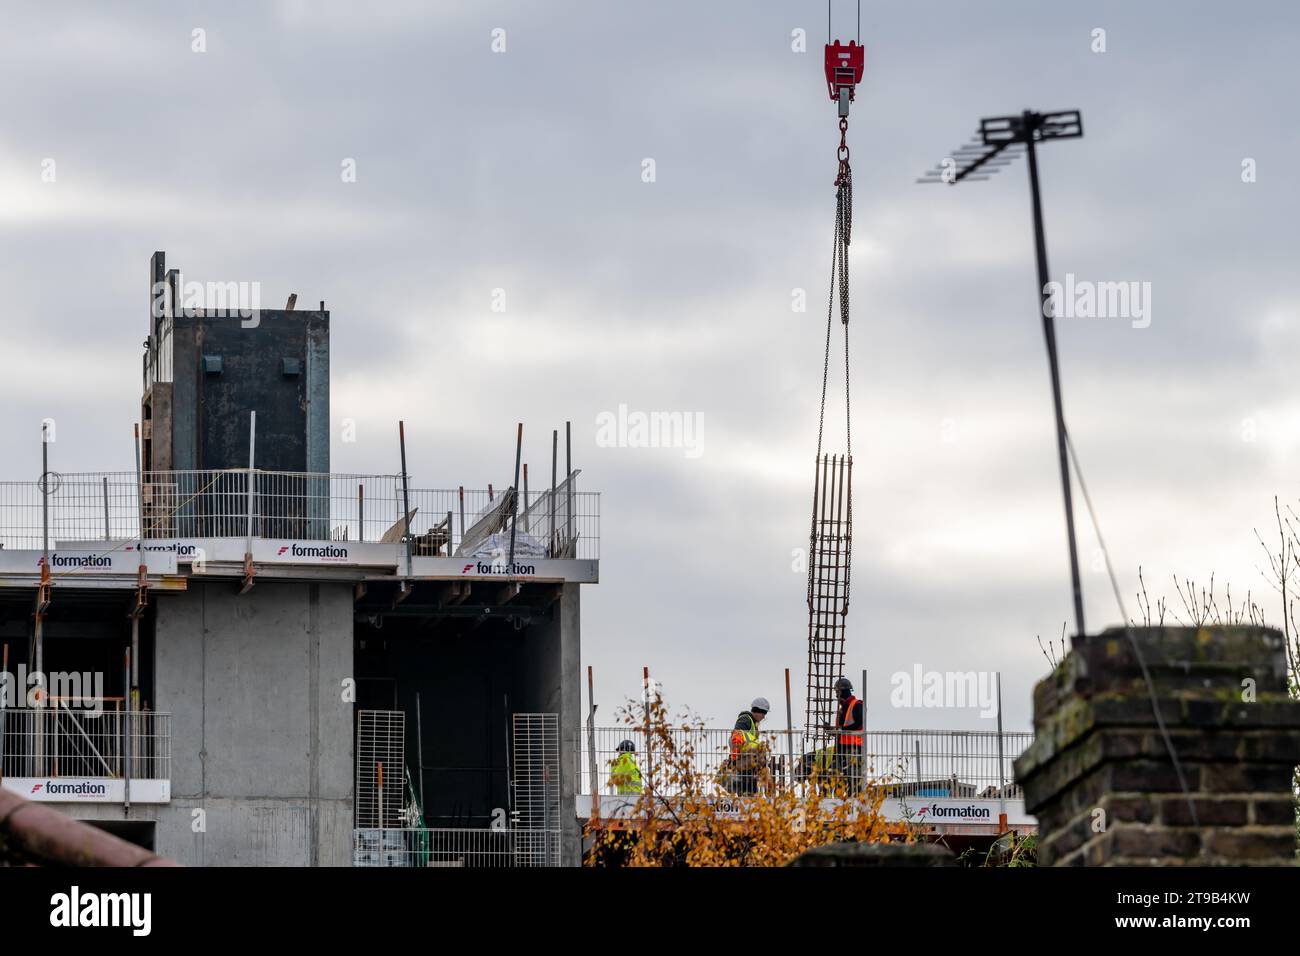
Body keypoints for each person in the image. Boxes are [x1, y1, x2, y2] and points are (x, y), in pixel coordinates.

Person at [826, 677, 864, 793]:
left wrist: (841, 730)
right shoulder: (842, 709)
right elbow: (842, 729)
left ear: (841, 691)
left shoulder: (857, 704)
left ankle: (854, 796)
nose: (836, 695)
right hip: (841, 747)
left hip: (853, 747)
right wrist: (832, 730)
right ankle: (839, 798)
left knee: (853, 774)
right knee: (835, 773)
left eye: (837, 692)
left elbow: (858, 723)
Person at [727, 697, 770, 794]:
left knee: (751, 791)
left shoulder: (752, 724)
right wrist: (733, 760)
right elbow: (736, 739)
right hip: (742, 761)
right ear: (759, 711)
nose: (764, 717)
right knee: (746, 792)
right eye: (764, 713)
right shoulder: (745, 720)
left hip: (748, 762)